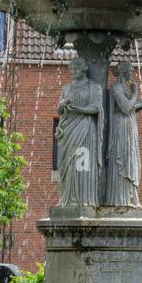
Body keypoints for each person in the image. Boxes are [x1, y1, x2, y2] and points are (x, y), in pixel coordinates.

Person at [56, 57, 103, 207]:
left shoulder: (94, 87)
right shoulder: (67, 88)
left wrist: (81, 110)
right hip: (68, 129)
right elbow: (59, 110)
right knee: (68, 164)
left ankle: (84, 200)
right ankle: (68, 199)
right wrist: (63, 104)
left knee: (83, 163)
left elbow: (97, 107)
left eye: (76, 69)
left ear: (83, 69)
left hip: (86, 128)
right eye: (71, 70)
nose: (73, 72)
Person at [106, 61, 142, 206]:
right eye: (131, 70)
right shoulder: (116, 88)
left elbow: (129, 107)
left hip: (129, 125)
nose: (132, 72)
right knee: (123, 158)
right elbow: (125, 108)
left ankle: (132, 197)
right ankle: (121, 199)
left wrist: (138, 104)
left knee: (131, 158)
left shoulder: (123, 87)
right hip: (121, 126)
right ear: (124, 72)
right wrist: (135, 93)